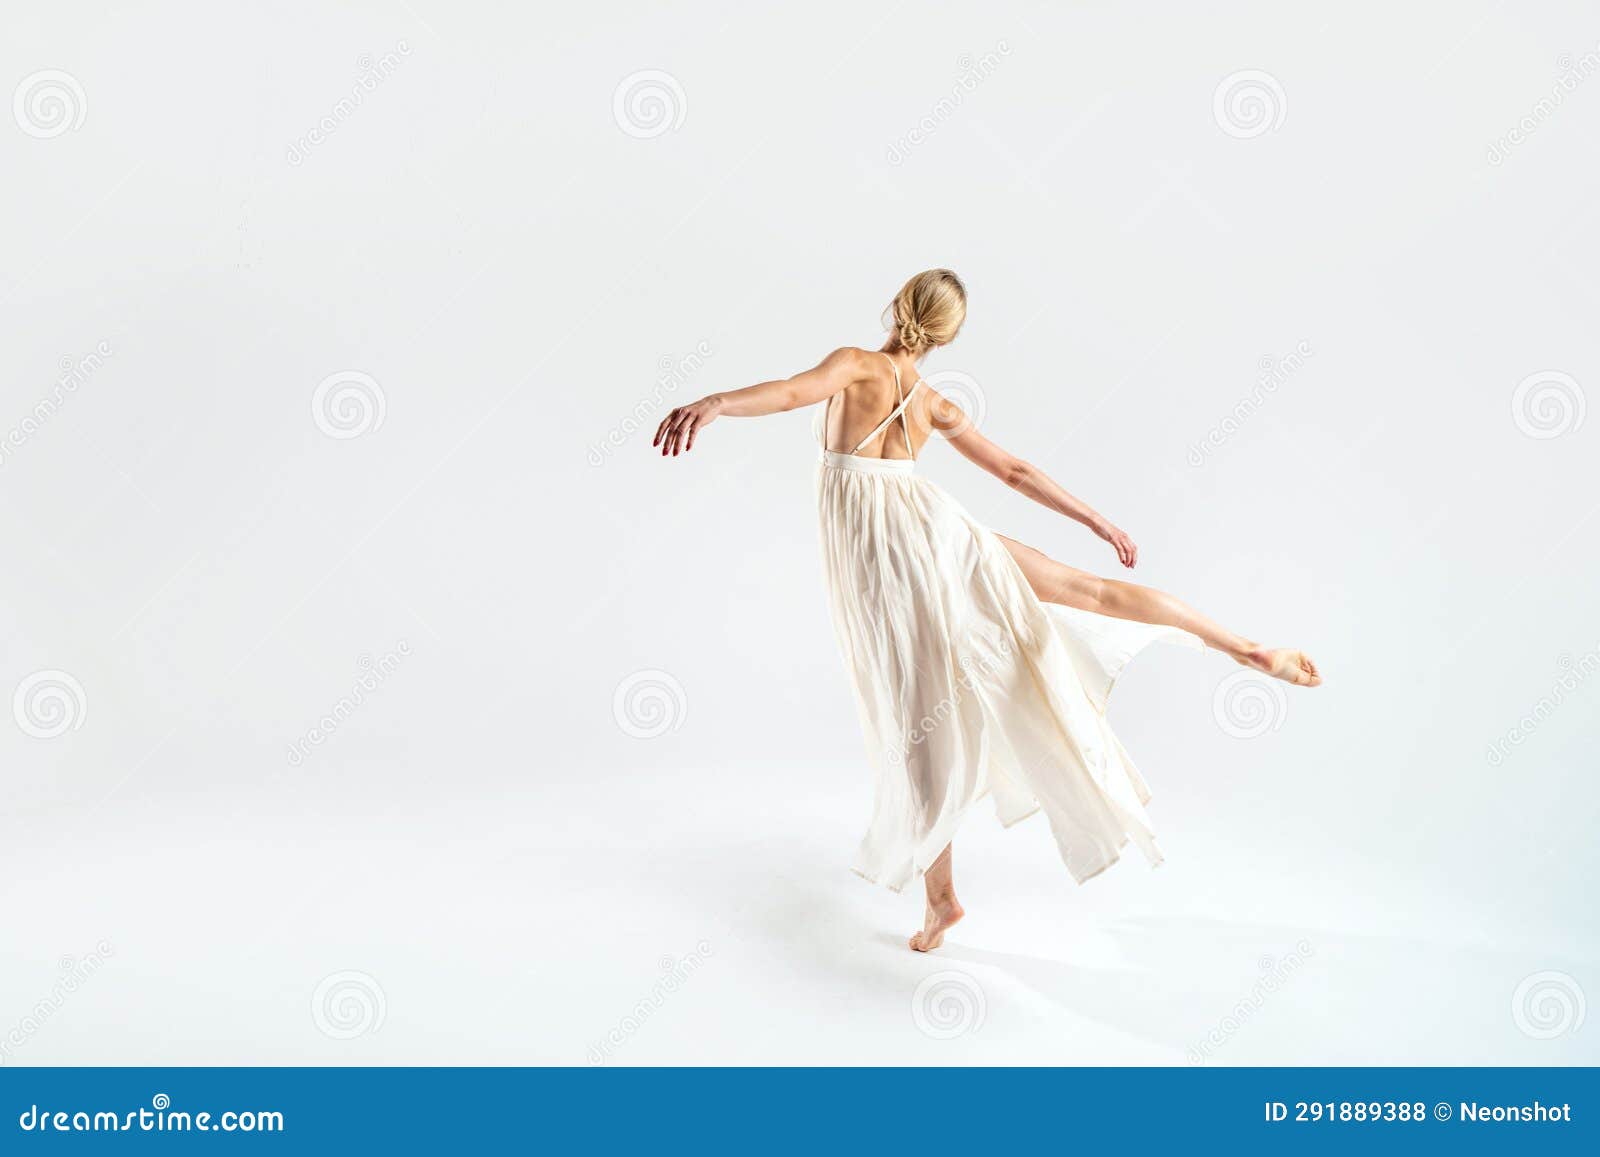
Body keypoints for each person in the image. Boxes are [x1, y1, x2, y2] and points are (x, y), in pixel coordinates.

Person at [654, 269, 1319, 951]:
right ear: (947, 336)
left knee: (915, 725)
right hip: (936, 531)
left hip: (887, 565)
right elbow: (1014, 471)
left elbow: (793, 392)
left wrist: (716, 402)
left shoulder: (855, 364)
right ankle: (1245, 647)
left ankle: (941, 900)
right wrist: (1097, 520)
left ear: (897, 306)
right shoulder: (933, 403)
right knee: (1086, 590)